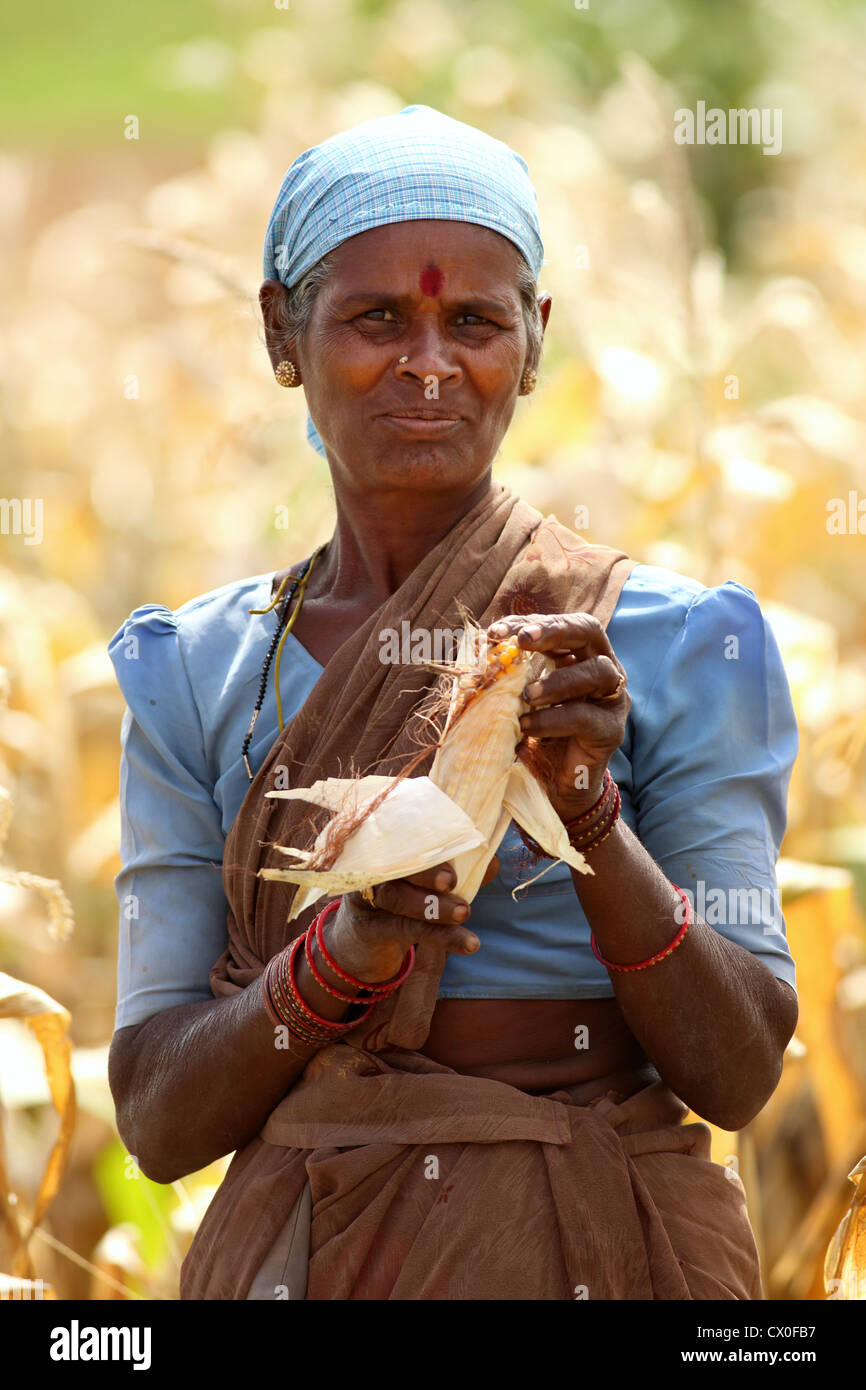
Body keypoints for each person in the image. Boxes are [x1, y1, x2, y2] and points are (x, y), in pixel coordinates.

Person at [107, 105, 799, 1300]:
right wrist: (345, 954)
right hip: (308, 1253)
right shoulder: (198, 669)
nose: (428, 365)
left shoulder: (679, 647)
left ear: (531, 344)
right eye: (377, 317)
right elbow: (162, 1123)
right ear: (282, 332)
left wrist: (586, 813)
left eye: (473, 321)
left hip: (610, 1244)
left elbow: (735, 1074)